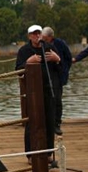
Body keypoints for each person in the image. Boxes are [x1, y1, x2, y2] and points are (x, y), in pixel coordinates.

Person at [16, 25, 62, 163]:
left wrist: (57, 59)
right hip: (33, 91)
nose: (37, 36)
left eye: (38, 34)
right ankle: (30, 154)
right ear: (29, 36)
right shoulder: (24, 50)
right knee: (33, 122)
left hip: (49, 89)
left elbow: (61, 69)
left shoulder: (48, 48)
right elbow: (18, 70)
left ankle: (48, 153)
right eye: (34, 34)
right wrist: (28, 63)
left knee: (49, 121)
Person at [41, 27, 72, 135]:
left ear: (51, 37)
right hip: (46, 76)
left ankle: (57, 124)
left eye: (45, 38)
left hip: (58, 75)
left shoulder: (60, 44)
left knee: (57, 100)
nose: (43, 40)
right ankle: (47, 123)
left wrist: (64, 70)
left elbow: (68, 57)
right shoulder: (42, 45)